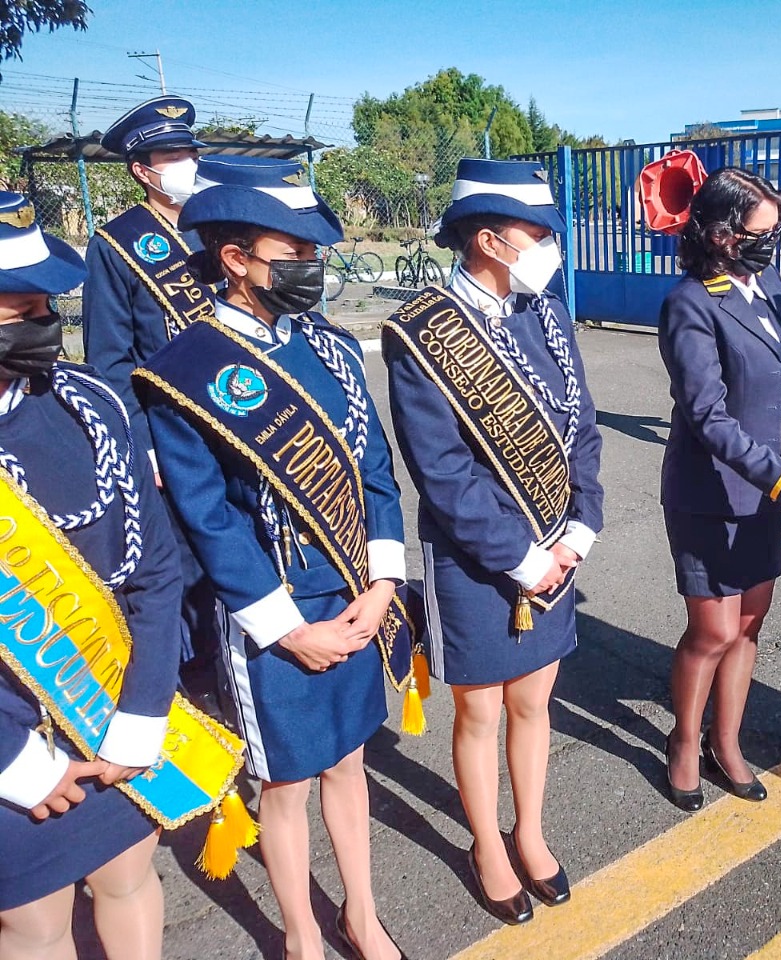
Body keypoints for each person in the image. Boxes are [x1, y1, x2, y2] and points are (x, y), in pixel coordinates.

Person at [133, 156, 407, 960]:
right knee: (285, 786)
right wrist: (288, 631)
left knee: (349, 764)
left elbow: (374, 471)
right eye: (292, 253)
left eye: (313, 252)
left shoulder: (330, 348)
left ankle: (360, 914)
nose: (310, 268)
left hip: (354, 598)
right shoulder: (186, 370)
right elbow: (209, 519)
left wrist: (385, 581)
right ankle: (300, 937)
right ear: (235, 260)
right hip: (273, 617)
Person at [383, 158, 604, 925]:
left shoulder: (545, 309)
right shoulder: (423, 332)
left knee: (534, 702)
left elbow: (582, 424)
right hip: (478, 563)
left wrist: (580, 526)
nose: (550, 245)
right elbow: (440, 471)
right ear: (488, 239)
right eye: (536, 232)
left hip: (557, 546)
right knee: (479, 712)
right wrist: (521, 558)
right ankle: (486, 844)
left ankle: (530, 832)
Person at [0, 191, 183, 958]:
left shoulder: (89, 405)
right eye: (17, 308)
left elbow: (155, 571)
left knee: (127, 878)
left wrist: (140, 716)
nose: (44, 322)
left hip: (110, 714)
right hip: (11, 747)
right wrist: (13, 761)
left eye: (46, 301)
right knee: (33, 924)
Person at [657, 167, 781, 813]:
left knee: (748, 626)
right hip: (713, 492)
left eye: (777, 230)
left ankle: (726, 743)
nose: (772, 244)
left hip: (770, 491)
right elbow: (708, 418)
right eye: (759, 232)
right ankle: (684, 743)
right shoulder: (690, 303)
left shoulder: (765, 282)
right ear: (720, 233)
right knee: (711, 633)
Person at [81, 96, 221, 704]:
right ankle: (198, 698)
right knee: (189, 575)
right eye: (173, 155)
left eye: (191, 151)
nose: (187, 163)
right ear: (143, 170)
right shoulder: (117, 245)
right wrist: (144, 451)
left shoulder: (219, 229)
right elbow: (110, 365)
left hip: (241, 422)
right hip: (171, 438)